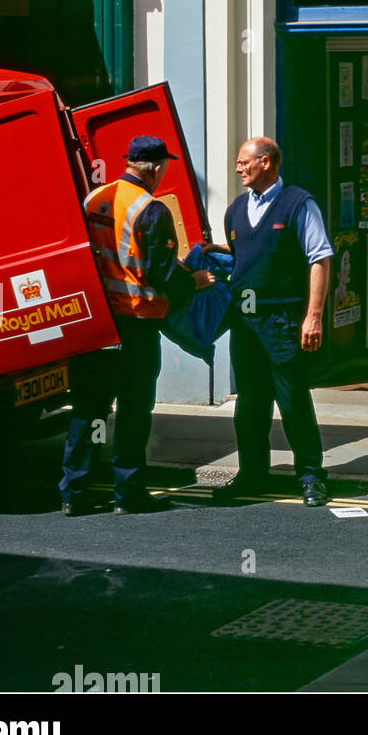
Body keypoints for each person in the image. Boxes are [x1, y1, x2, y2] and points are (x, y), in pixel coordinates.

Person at [60, 136, 213, 516]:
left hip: (96, 323)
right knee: (132, 411)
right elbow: (160, 273)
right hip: (136, 325)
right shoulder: (152, 210)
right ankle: (128, 493)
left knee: (89, 408)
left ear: (129, 162)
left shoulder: (94, 199)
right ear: (157, 168)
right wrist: (193, 282)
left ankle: (74, 491)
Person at [214, 136, 333, 508]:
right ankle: (252, 474)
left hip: (284, 322)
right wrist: (209, 254)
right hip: (245, 325)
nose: (238, 168)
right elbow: (244, 257)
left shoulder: (298, 203)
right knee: (250, 403)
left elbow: (320, 258)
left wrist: (313, 317)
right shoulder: (234, 211)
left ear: (265, 162)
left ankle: (311, 476)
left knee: (293, 399)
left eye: (243, 161)